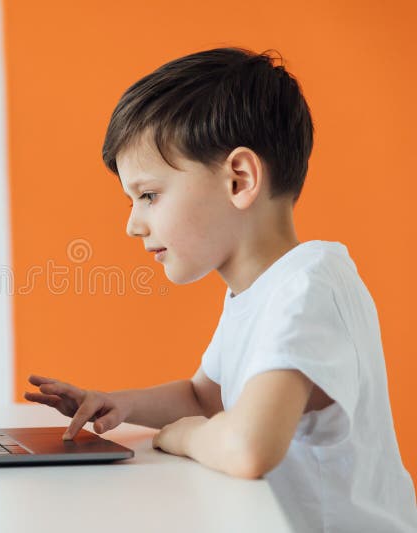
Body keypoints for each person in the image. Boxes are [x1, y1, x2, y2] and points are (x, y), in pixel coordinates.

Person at [24, 47, 417, 532]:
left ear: (240, 179)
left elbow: (247, 447)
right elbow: (204, 397)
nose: (132, 225)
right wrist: (118, 403)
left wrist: (187, 437)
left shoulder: (308, 287)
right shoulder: (258, 292)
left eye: (148, 195)